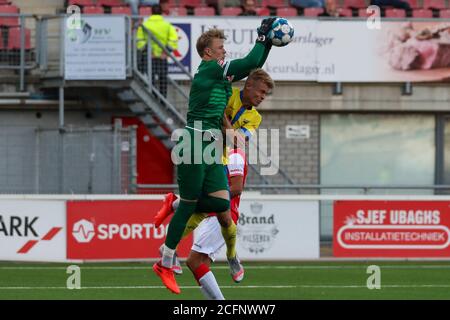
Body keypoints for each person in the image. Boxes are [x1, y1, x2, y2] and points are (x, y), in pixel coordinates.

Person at [152, 20, 276, 295]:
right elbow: (249, 61)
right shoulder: (210, 69)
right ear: (208, 53)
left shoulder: (222, 77)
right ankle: (164, 261)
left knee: (221, 201)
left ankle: (173, 204)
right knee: (190, 203)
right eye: (220, 48)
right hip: (196, 139)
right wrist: (262, 36)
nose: (224, 52)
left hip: (211, 145)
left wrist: (268, 43)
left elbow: (254, 66)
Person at [136, 4, 178, 98]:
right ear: (161, 12)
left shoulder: (145, 25)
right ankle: (163, 101)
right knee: (163, 79)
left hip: (149, 56)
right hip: (162, 57)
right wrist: (165, 52)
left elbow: (139, 41)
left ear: (151, 12)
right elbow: (174, 40)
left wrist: (149, 51)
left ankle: (153, 98)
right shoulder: (167, 25)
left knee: (151, 80)